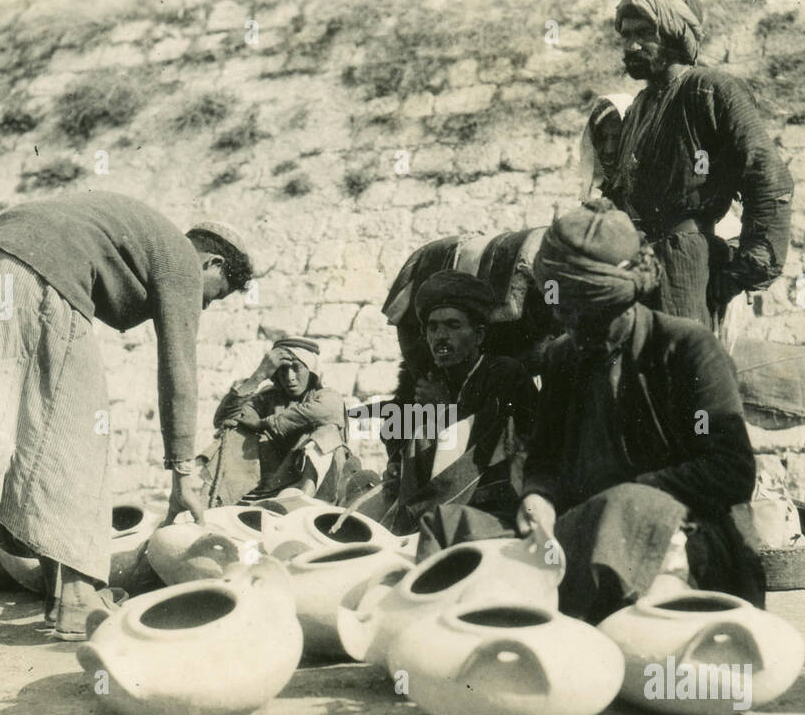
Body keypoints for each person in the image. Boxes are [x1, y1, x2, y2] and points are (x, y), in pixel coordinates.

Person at [0, 192, 255, 640]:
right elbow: (179, 370)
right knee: (78, 439)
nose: (204, 305)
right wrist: (182, 473)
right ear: (211, 264)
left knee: (1, 416)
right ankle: (77, 602)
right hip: (42, 273)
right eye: (216, 296)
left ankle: (50, 581)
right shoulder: (183, 261)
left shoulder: (139, 232)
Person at [517, 201, 764, 622]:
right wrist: (538, 497)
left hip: (685, 539)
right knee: (462, 532)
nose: (563, 321)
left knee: (624, 513)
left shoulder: (687, 349)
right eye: (558, 306)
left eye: (576, 310)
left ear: (616, 300)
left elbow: (731, 470)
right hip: (586, 532)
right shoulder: (564, 358)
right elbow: (545, 460)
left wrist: (631, 495)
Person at [587, 0, 793, 335]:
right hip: (635, 269)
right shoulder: (639, 107)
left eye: (644, 33)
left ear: (674, 34)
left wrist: (743, 269)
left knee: (678, 374)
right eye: (625, 35)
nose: (631, 45)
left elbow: (768, 177)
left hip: (683, 265)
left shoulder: (710, 90)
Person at [381, 271, 538, 537]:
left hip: (491, 492)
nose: (440, 336)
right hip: (436, 491)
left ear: (478, 336)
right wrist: (396, 462)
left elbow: (490, 443)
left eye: (453, 326)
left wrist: (443, 407)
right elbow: (394, 426)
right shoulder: (426, 376)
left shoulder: (503, 372)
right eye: (433, 327)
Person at [209, 337, 354, 504]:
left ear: (311, 370)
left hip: (316, 489)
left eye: (296, 368)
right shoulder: (268, 397)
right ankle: (218, 499)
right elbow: (223, 419)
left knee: (327, 431)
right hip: (274, 484)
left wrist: (263, 424)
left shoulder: (325, 396)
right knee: (237, 432)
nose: (289, 377)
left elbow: (326, 411)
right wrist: (258, 376)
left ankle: (302, 499)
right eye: (283, 370)